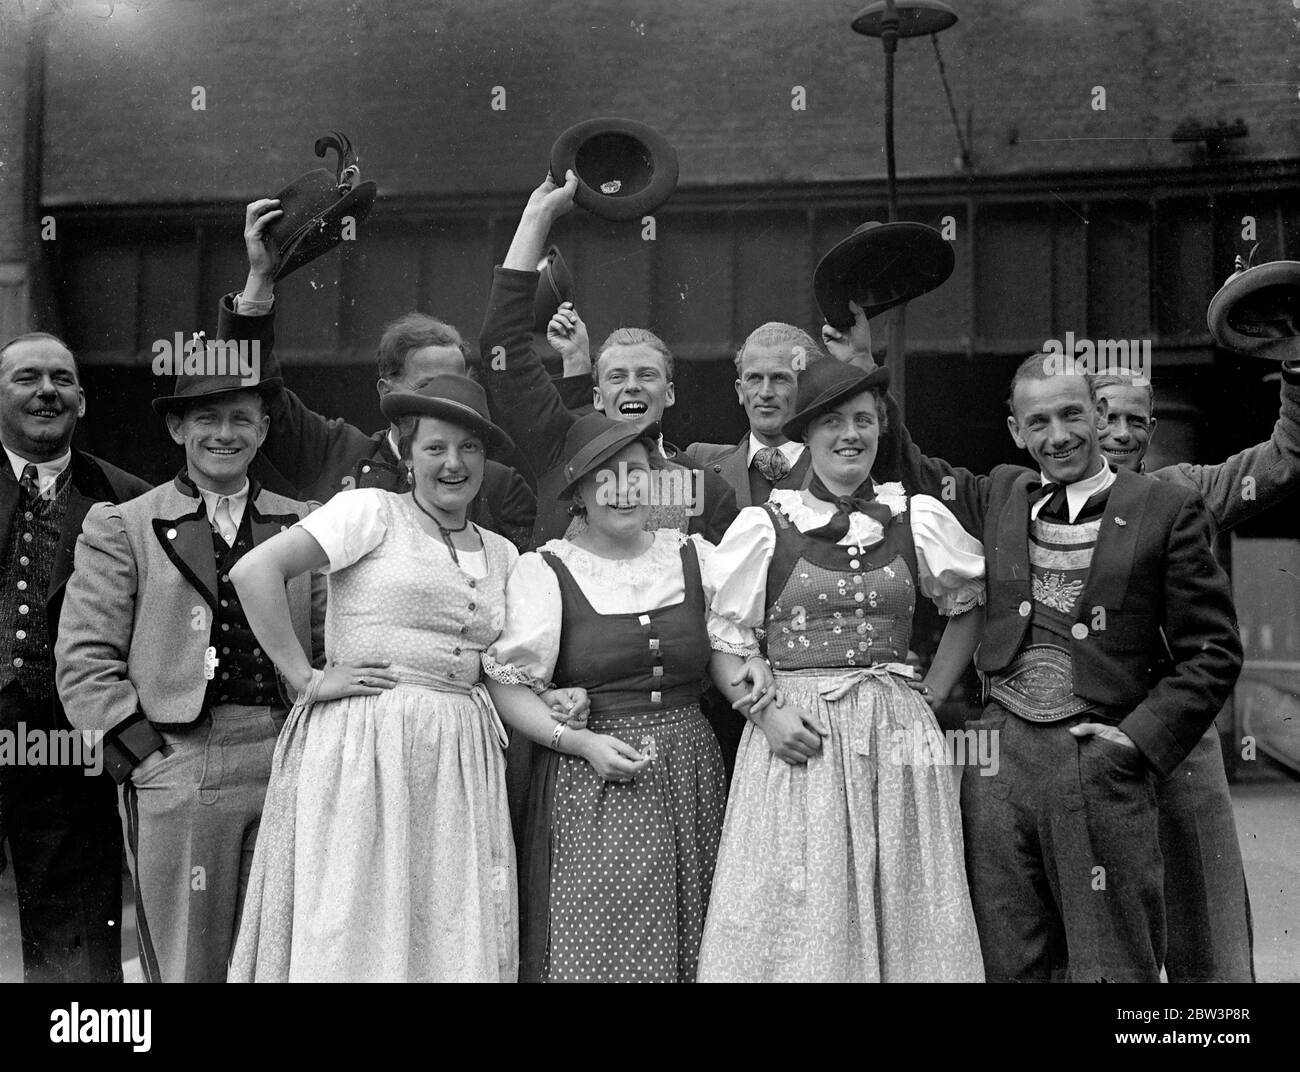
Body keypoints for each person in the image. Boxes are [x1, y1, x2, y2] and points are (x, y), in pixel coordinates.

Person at [225, 377, 611, 982]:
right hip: (363, 749)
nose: (453, 464)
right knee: (353, 921)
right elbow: (255, 571)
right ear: (406, 454)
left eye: (470, 449)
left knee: (444, 929)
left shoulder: (506, 555)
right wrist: (303, 677)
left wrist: (550, 703)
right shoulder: (369, 512)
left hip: (459, 759)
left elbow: (495, 674)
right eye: (435, 448)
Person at [885, 355, 1243, 981]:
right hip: (997, 768)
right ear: (1017, 432)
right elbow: (904, 462)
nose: (1059, 435)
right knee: (1008, 957)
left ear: (1098, 415)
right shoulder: (1002, 493)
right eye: (1039, 421)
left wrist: (1134, 741)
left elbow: (1213, 652)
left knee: (1112, 962)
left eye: (1073, 414)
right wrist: (866, 361)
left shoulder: (1164, 508)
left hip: (1099, 760)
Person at [697, 360, 988, 982]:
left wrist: (928, 695)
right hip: (798, 735)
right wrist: (766, 714)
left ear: (881, 430)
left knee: (908, 903)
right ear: (807, 435)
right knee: (801, 904)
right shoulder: (765, 527)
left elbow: (967, 608)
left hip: (895, 732)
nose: (849, 434)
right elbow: (724, 640)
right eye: (832, 422)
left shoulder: (918, 517)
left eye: (863, 420)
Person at [483, 411, 774, 982]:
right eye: (606, 475)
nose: (625, 489)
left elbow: (723, 652)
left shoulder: (693, 555)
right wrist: (577, 739)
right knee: (604, 944)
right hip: (594, 781)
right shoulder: (545, 570)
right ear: (578, 493)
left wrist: (756, 667)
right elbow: (506, 683)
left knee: (701, 939)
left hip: (692, 776)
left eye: (637, 473)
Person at [56, 369, 320, 983]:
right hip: (180, 759)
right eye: (206, 419)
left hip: (291, 758)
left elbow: (331, 641)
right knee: (185, 964)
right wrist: (146, 759)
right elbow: (84, 662)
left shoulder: (305, 523)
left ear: (263, 428)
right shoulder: (123, 525)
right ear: (177, 428)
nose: (224, 434)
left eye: (240, 419)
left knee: (282, 955)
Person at [1091, 358, 1300, 983]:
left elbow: (1287, 453)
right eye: (1105, 415)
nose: (1121, 433)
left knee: (1209, 923)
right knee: (1097, 917)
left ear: (1153, 429)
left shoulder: (1185, 489)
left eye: (1136, 420)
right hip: (1082, 731)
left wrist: (1295, 368)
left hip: (1180, 734)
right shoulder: (1027, 498)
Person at [214, 198, 537, 550]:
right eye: (426, 385)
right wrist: (260, 278)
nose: (445, 399)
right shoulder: (333, 452)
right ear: (386, 390)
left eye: (456, 385)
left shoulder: (498, 485)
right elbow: (247, 385)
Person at [481, 171, 738, 547]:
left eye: (646, 375)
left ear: (669, 393)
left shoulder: (707, 490)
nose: (632, 385)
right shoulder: (560, 449)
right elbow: (501, 345)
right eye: (617, 377)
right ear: (597, 397)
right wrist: (537, 216)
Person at [0, 332, 147, 983]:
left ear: (81, 401)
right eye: (26, 378)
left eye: (60, 379)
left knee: (77, 940)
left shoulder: (123, 498)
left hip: (69, 744)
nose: (46, 391)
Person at [690, 323, 824, 507]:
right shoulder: (700, 462)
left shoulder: (838, 468)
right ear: (740, 390)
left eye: (780, 378)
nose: (765, 392)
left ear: (808, 388)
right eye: (754, 378)